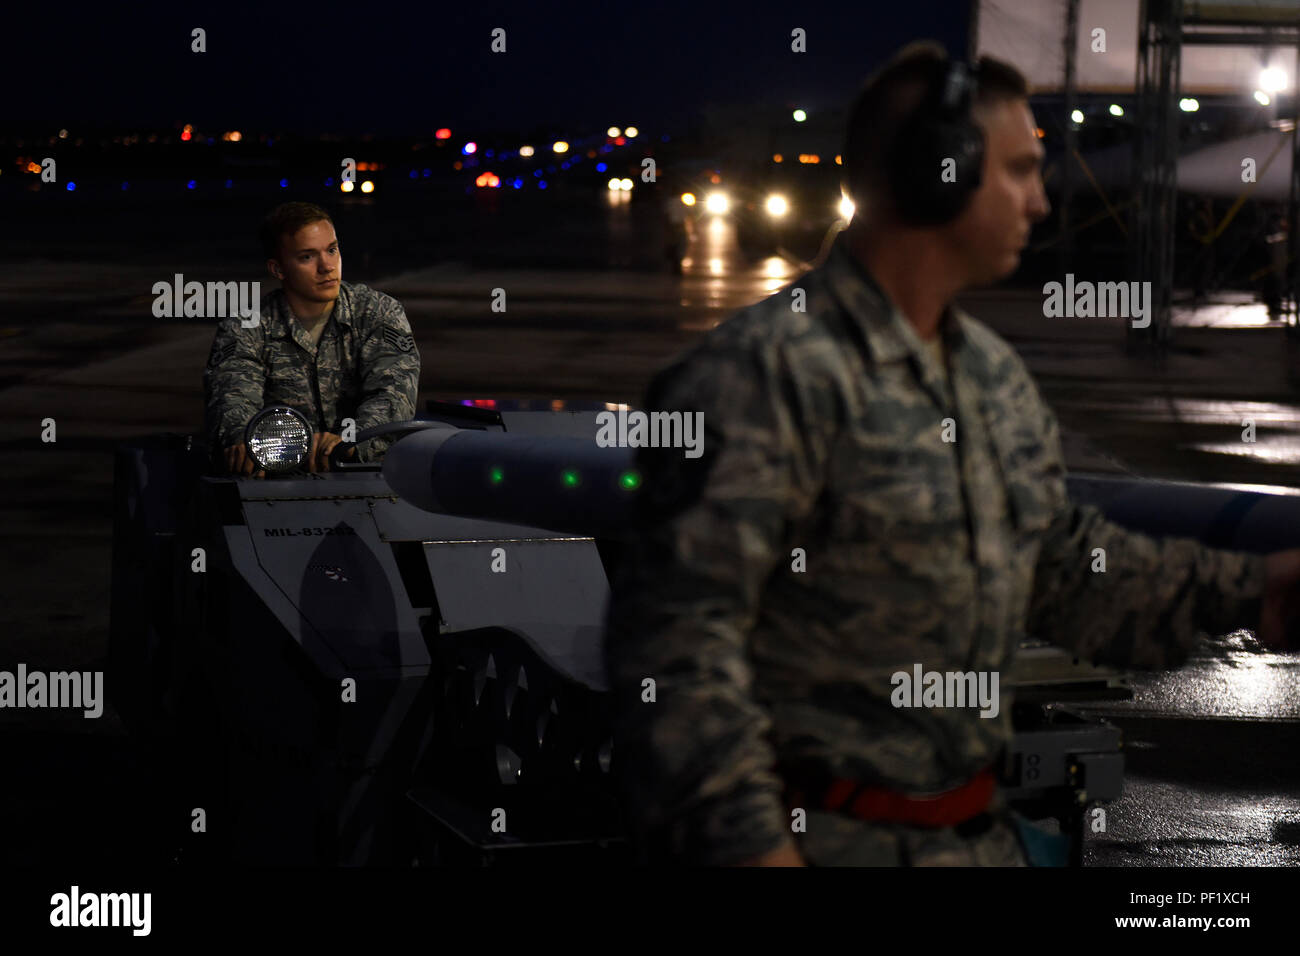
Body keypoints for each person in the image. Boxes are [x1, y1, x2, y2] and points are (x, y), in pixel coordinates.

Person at [603, 41, 1300, 867]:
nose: (1041, 202)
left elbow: (1063, 573)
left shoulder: (989, 379)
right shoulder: (758, 378)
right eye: (1019, 170)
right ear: (940, 174)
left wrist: (1253, 591)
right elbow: (677, 657)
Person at [203, 201, 420, 475]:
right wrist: (250, 443)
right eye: (307, 257)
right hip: (278, 481)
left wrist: (351, 440)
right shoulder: (246, 326)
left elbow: (394, 394)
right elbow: (232, 400)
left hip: (367, 476)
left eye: (332, 250)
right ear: (278, 269)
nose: (327, 266)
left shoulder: (378, 313)